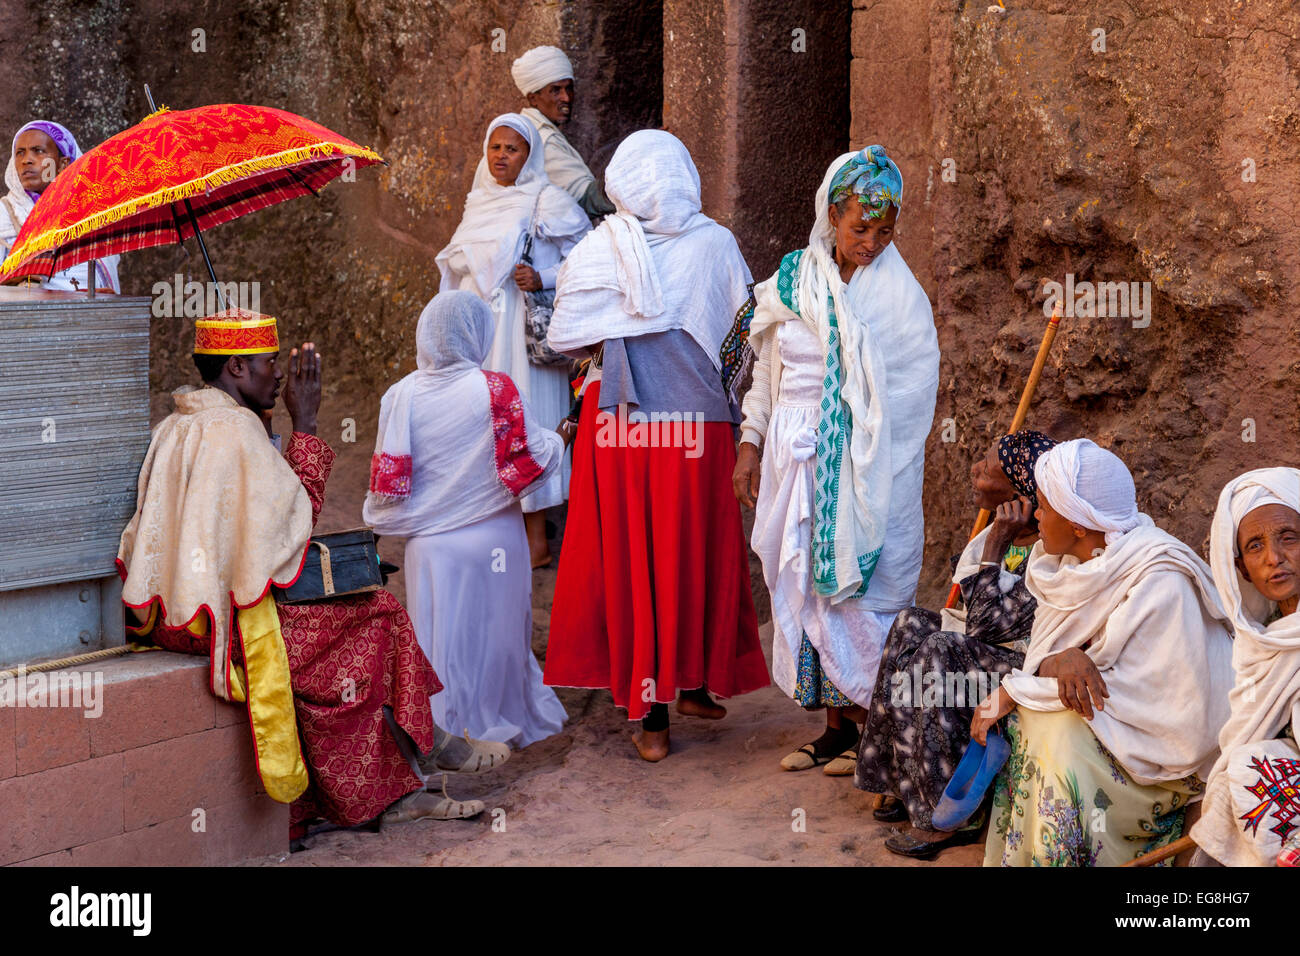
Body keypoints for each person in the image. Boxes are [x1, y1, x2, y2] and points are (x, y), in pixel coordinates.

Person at [117, 308, 511, 840]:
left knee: (364, 618)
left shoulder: (182, 422)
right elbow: (290, 534)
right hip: (226, 626)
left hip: (180, 615)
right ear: (236, 367)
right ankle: (422, 758)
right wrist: (306, 424)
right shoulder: (232, 431)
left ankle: (413, 766)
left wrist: (273, 430)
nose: (280, 376)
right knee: (378, 619)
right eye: (268, 362)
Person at [543, 129, 769, 761]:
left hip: (621, 432)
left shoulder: (602, 248)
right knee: (689, 556)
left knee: (644, 561)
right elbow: (739, 337)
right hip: (693, 430)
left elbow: (568, 336)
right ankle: (658, 710)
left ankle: (676, 697)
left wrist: (620, 335)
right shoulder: (714, 244)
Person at [733, 146, 939, 774]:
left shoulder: (900, 300)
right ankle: (835, 730)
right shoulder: (794, 278)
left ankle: (874, 732)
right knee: (806, 583)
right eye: (860, 227)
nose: (872, 242)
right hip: (796, 464)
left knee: (859, 592)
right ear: (831, 214)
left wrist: (849, 443)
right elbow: (767, 370)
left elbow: (908, 388)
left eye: (885, 230)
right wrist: (750, 443)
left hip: (867, 470)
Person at [975, 439, 1234, 866]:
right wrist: (1058, 662)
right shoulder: (1070, 567)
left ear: (1079, 523)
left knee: (1055, 737)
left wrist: (1012, 691)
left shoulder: (1158, 580)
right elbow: (1052, 656)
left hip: (1164, 761)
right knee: (1037, 721)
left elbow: (1153, 707)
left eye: (1044, 505)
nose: (1036, 515)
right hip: (1119, 733)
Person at [363, 291, 570, 748]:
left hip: (431, 548)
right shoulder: (496, 390)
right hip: (493, 539)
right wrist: (560, 440)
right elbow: (531, 461)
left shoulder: (400, 395)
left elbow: (390, 482)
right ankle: (497, 710)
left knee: (439, 641)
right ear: (478, 336)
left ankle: (443, 726)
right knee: (497, 635)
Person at [856, 430, 1057, 860]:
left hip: (1029, 666)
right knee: (910, 623)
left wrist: (997, 544)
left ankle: (947, 818)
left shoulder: (1051, 550)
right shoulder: (989, 537)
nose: (975, 472)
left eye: (987, 469)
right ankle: (901, 778)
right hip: (990, 655)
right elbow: (968, 614)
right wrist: (993, 543)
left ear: (1018, 493)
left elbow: (985, 627)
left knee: (942, 649)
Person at [437, 113, 590, 568]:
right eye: (496, 147)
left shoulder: (548, 201)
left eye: (513, 149)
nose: (502, 156)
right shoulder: (477, 202)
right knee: (484, 418)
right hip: (480, 330)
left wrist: (542, 275)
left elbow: (588, 259)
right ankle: (490, 524)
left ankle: (537, 540)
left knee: (528, 417)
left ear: (530, 156)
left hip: (522, 331)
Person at [1190, 467, 1300, 867]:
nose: (1274, 558)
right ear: (1241, 568)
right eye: (1255, 546)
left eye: (1288, 537)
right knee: (1234, 782)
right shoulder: (1263, 641)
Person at [1, 120, 119, 292]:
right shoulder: (4, 214)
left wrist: (96, 297)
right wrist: (11, 278)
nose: (26, 160)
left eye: (38, 151)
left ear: (63, 164)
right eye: (20, 153)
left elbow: (103, 279)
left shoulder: (92, 216)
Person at [511, 44, 615, 218]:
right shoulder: (541, 140)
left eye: (569, 88)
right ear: (533, 98)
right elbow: (587, 199)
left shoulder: (530, 129)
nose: (566, 98)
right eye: (555, 90)